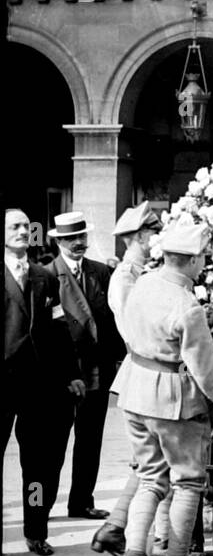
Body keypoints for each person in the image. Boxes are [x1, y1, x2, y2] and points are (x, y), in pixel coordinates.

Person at [114, 221, 213, 556]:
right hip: (173, 399)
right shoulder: (187, 306)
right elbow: (207, 374)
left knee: (150, 477)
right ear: (192, 261)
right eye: (202, 258)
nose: (204, 263)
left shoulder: (143, 284)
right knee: (189, 480)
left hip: (135, 391)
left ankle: (134, 555)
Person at [3, 208, 85, 554]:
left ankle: (36, 529)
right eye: (14, 227)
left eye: (26, 226)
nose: (23, 231)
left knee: (38, 462)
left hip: (38, 385)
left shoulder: (44, 277)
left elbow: (59, 330)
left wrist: (71, 374)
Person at [92, 204, 166, 556]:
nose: (156, 239)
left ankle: (115, 530)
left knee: (151, 461)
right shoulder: (124, 279)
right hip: (141, 373)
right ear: (138, 236)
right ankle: (126, 534)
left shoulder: (145, 273)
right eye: (153, 234)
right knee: (152, 462)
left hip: (148, 376)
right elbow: (133, 332)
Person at [48, 212, 125, 521]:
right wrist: (62, 372)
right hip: (64, 373)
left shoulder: (101, 272)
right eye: (70, 238)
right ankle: (42, 505)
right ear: (59, 241)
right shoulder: (47, 275)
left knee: (90, 439)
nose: (78, 243)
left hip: (98, 369)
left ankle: (81, 501)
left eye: (81, 236)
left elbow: (111, 319)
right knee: (54, 442)